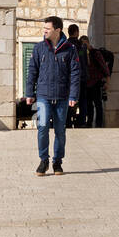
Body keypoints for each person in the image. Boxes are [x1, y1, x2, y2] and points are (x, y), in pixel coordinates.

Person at [25, 15, 80, 174]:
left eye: (47, 29)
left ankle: (57, 162)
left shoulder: (71, 49)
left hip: (62, 97)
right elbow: (32, 72)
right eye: (44, 29)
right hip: (43, 96)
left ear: (57, 30)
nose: (44, 31)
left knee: (60, 130)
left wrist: (73, 96)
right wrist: (29, 93)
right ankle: (43, 160)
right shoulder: (39, 48)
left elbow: (75, 74)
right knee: (42, 127)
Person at [82, 35, 110, 127]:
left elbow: (103, 66)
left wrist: (107, 81)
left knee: (98, 104)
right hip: (87, 83)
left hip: (96, 82)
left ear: (88, 42)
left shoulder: (95, 53)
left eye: (85, 43)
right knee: (89, 104)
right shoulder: (82, 54)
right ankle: (89, 123)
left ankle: (98, 124)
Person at [67, 23, 89, 126]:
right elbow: (84, 62)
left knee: (68, 99)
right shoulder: (81, 46)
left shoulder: (65, 45)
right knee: (83, 100)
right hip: (81, 77)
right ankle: (81, 122)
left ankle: (67, 121)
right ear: (76, 32)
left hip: (69, 78)